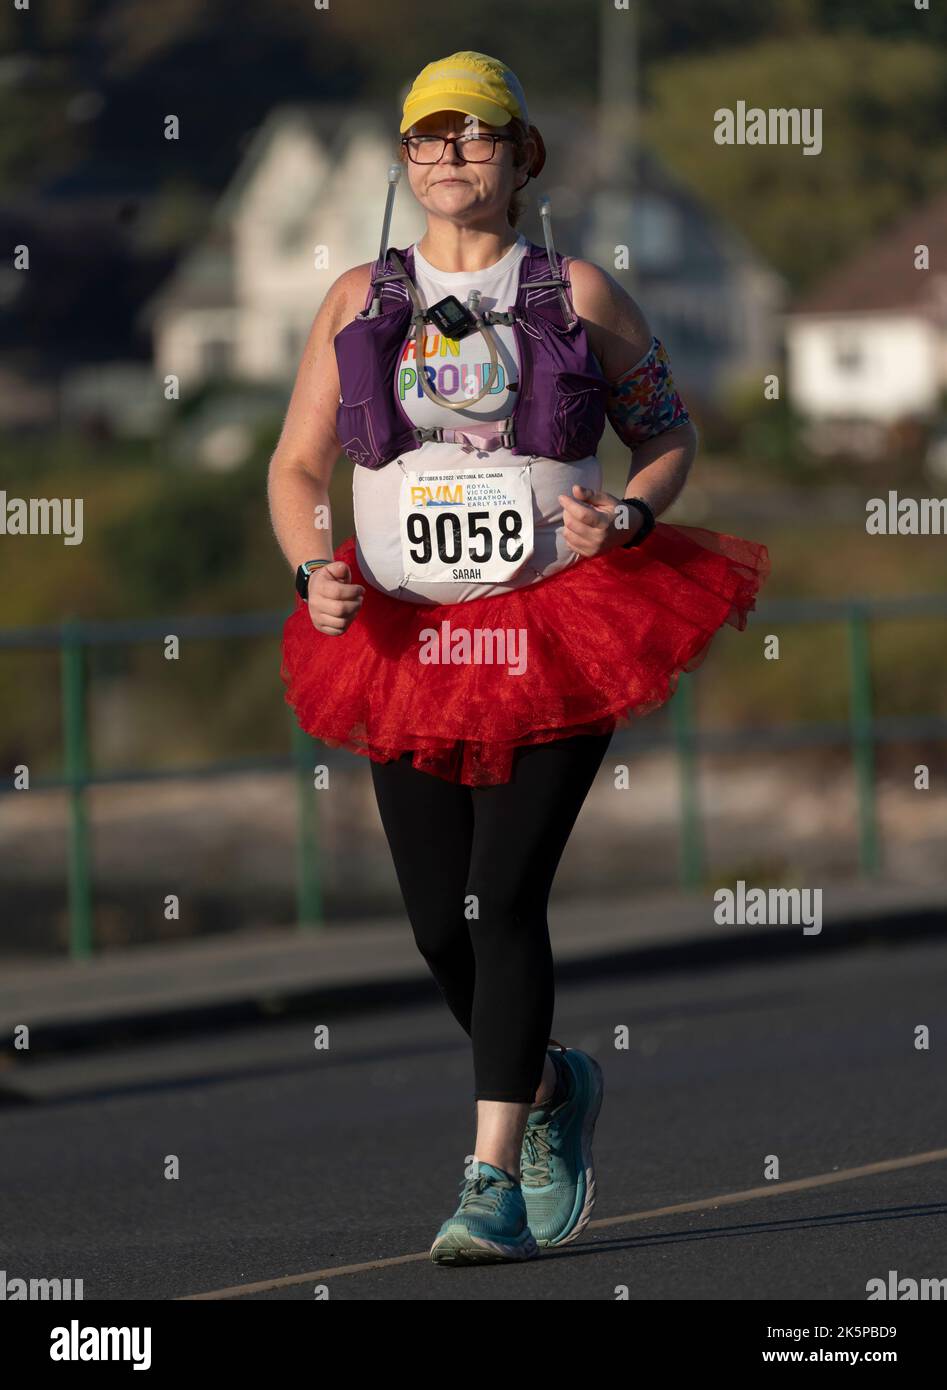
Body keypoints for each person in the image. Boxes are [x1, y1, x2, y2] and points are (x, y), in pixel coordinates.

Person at [268, 51, 770, 1266]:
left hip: (555, 628)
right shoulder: (352, 299)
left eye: (476, 135)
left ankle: (488, 1175)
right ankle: (546, 1084)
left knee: (503, 900)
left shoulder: (578, 290)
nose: (451, 157)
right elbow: (295, 469)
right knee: (439, 923)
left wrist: (634, 516)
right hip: (404, 641)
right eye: (428, 138)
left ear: (521, 155)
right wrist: (308, 568)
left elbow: (663, 434)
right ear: (402, 159)